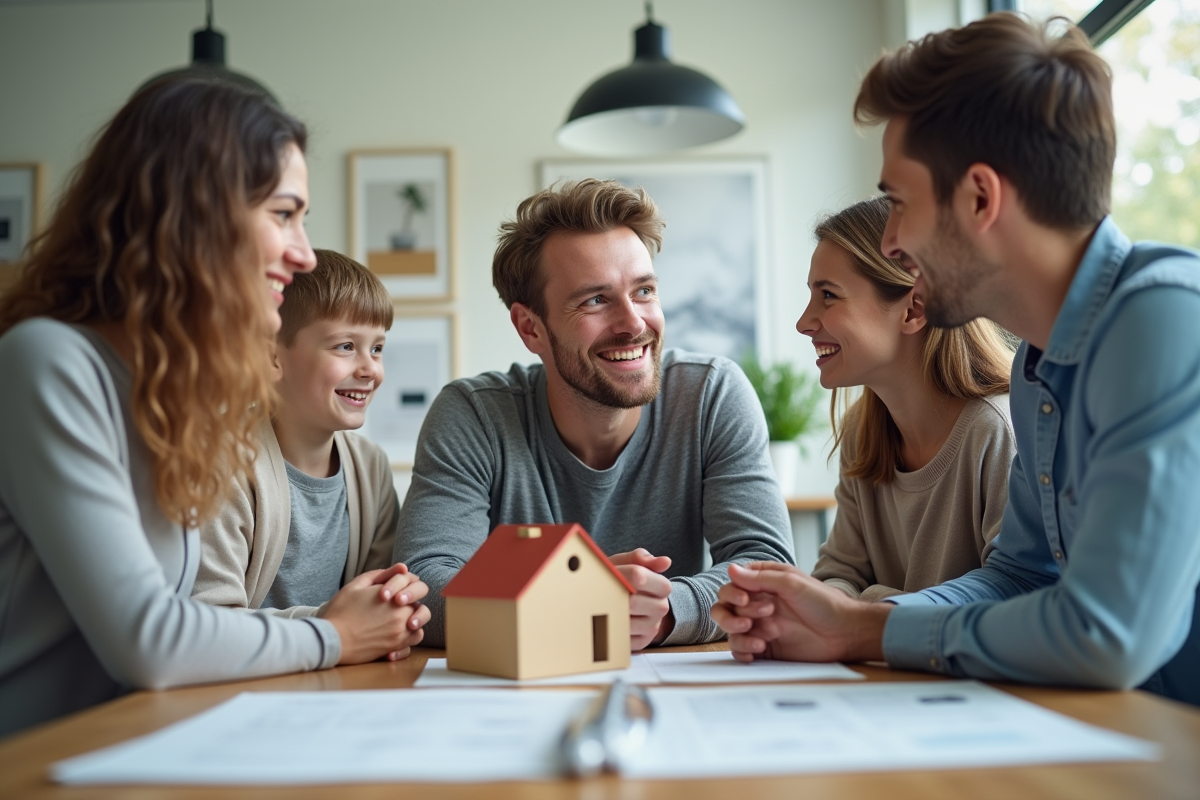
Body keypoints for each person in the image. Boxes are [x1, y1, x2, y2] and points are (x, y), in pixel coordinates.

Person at [712, 13, 1200, 707]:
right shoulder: (1040, 364)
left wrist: (867, 632)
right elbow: (1020, 576)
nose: (892, 239)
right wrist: (851, 623)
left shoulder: (1165, 319)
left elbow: (1108, 633)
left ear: (979, 198)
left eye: (897, 203)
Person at [0, 77, 422, 738]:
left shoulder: (176, 402)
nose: (303, 251)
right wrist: (334, 634)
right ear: (198, 216)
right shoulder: (49, 362)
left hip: (137, 747)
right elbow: (151, 639)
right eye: (284, 214)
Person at [394, 179, 795, 650]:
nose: (633, 324)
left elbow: (765, 566)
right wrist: (572, 600)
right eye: (595, 300)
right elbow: (423, 584)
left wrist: (667, 614)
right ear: (530, 327)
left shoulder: (711, 394)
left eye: (643, 291)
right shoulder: (473, 415)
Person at [193, 249, 428, 634]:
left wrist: (399, 607)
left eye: (378, 348)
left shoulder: (371, 467)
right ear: (272, 359)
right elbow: (209, 621)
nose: (370, 368)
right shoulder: (222, 461)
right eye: (345, 346)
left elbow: (379, 599)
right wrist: (335, 627)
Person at [801, 196, 1015, 601]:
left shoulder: (997, 430)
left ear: (914, 309)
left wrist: (860, 606)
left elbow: (1011, 596)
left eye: (827, 295)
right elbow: (840, 571)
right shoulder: (861, 433)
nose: (804, 322)